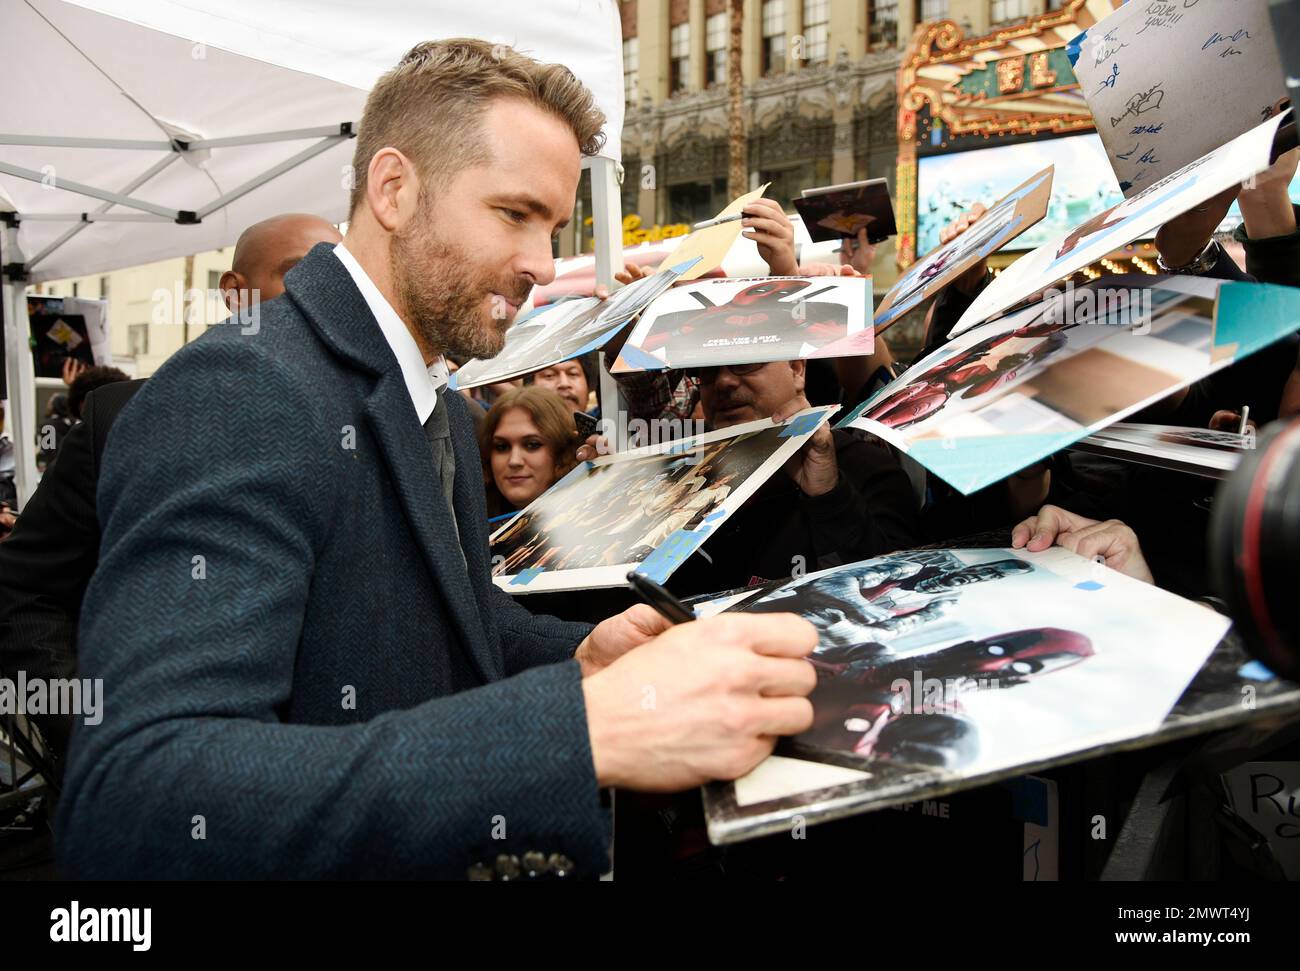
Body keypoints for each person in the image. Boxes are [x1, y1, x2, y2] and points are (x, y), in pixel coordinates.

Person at [55, 39, 817, 880]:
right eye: (513, 213)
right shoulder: (243, 390)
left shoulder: (443, 406)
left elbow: (432, 617)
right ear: (394, 189)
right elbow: (140, 800)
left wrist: (577, 655)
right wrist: (581, 729)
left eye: (555, 226)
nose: (540, 261)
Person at [0, 213, 344, 783]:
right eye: (301, 274)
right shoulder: (119, 419)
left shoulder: (368, 428)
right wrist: (96, 735)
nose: (328, 295)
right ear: (236, 294)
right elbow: (25, 595)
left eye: (342, 278)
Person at [605, 355, 920, 597]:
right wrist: (602, 491)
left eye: (744, 364)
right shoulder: (681, 471)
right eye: (707, 372)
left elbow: (893, 592)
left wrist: (829, 495)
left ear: (797, 370)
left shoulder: (864, 466)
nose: (723, 382)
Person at [480, 385, 580, 516]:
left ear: (563, 451)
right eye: (502, 447)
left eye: (532, 445)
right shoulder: (468, 525)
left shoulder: (596, 518)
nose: (514, 461)